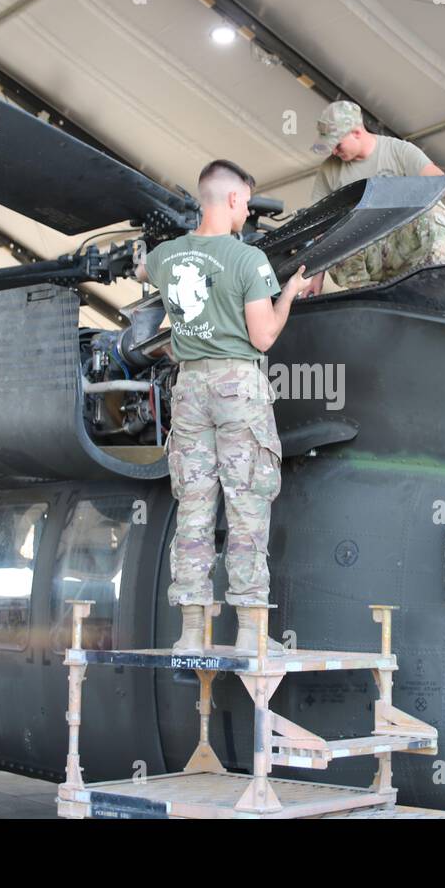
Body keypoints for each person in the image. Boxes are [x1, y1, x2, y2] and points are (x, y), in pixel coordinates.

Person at [137, 160, 311, 654]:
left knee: (192, 509)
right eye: (247, 204)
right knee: (247, 504)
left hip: (188, 389)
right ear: (235, 200)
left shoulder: (166, 258)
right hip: (239, 386)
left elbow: (139, 266)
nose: (247, 214)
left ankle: (192, 632)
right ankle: (251, 634)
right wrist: (290, 296)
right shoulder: (247, 260)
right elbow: (264, 335)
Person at [306, 101, 445, 292]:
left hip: (402, 247)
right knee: (336, 234)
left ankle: (430, 282)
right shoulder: (329, 170)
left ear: (356, 132)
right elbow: (319, 229)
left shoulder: (399, 151)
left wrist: (394, 194)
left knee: (435, 211)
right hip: (362, 256)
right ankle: (367, 297)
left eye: (337, 145)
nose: (334, 152)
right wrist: (315, 277)